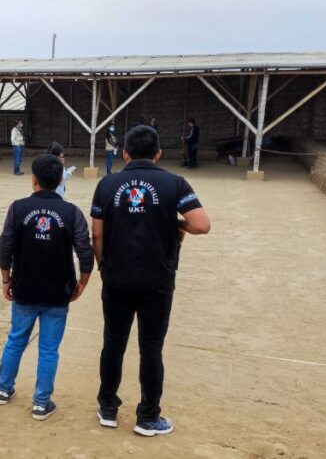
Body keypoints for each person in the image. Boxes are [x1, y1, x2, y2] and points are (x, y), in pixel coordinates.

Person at [90, 125, 210, 437]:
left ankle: (107, 407)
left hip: (116, 277)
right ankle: (147, 416)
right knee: (151, 348)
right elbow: (202, 224)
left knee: (113, 345)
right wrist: (175, 222)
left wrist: (103, 264)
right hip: (157, 279)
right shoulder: (174, 183)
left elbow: (97, 233)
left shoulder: (107, 184)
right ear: (158, 153)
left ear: (124, 153)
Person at [0, 153, 94, 421]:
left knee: (16, 339)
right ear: (61, 180)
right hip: (57, 291)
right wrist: (82, 283)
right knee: (49, 349)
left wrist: (6, 279)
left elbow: (5, 247)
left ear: (34, 181)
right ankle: (41, 402)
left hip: (24, 288)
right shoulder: (71, 213)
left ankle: (3, 390)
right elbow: (86, 252)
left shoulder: (17, 208)